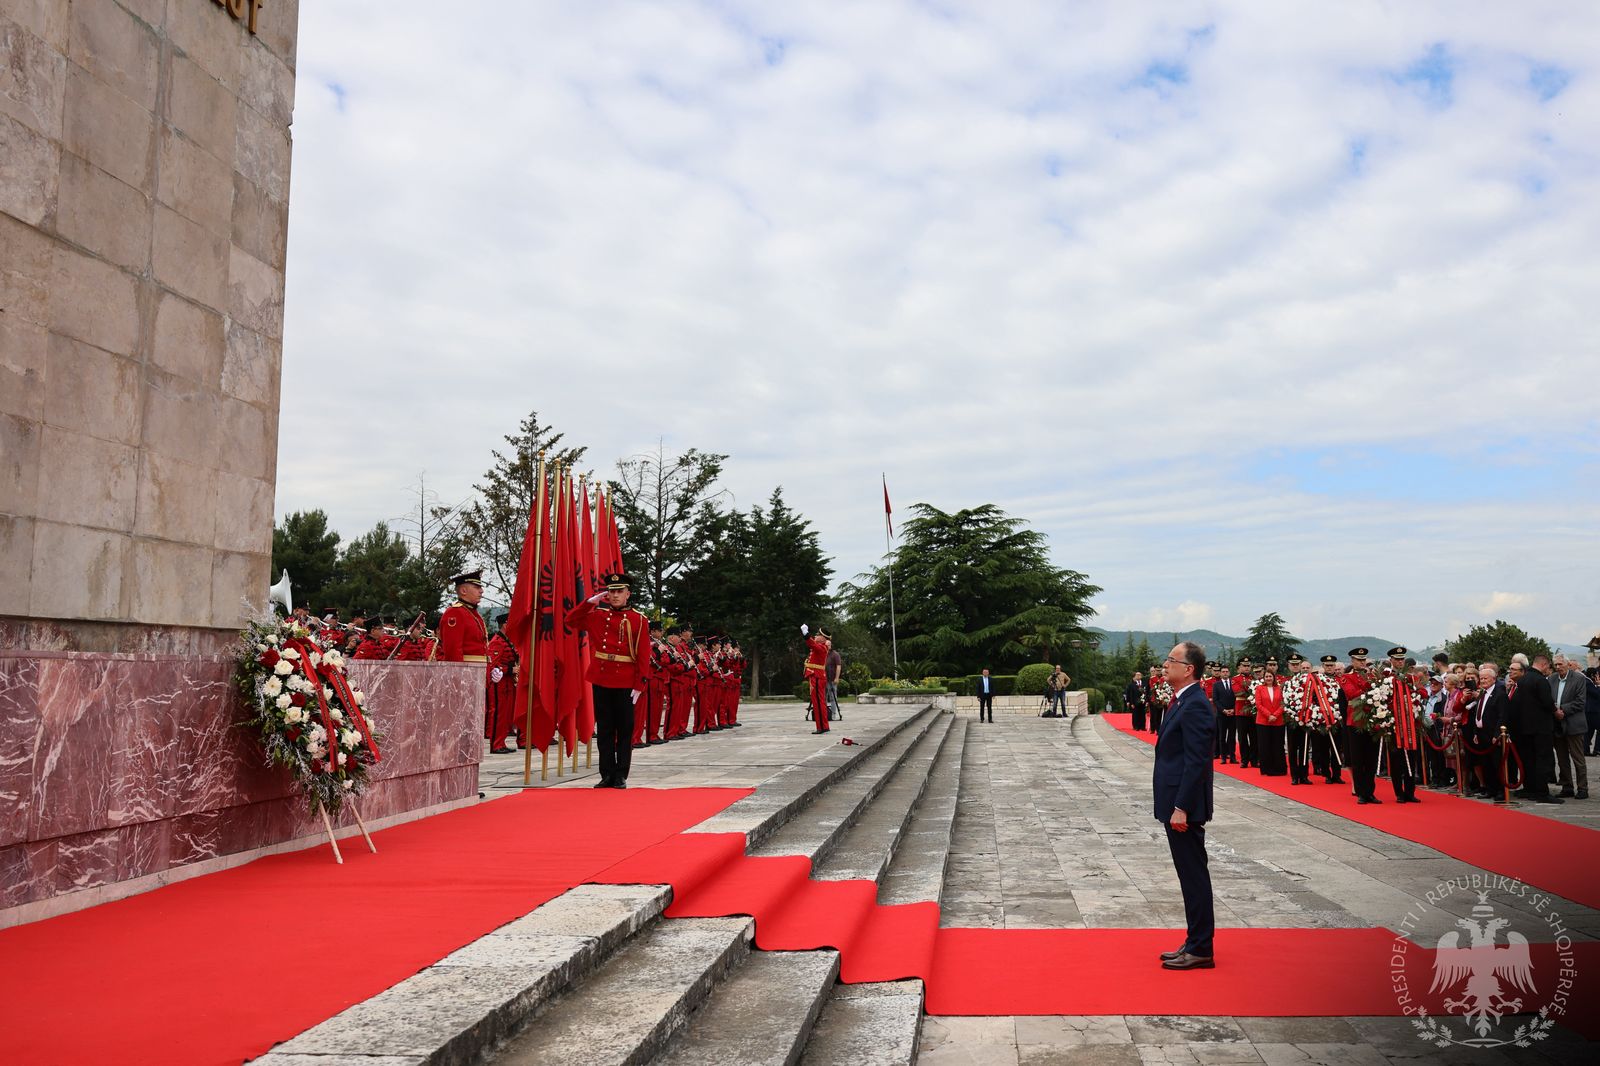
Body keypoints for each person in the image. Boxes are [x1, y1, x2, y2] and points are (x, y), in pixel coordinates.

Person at [1153, 641, 1215, 970]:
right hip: (1176, 802)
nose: (1165, 665)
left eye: (1171, 660)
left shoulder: (1195, 705)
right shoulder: (1183, 700)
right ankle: (1194, 941)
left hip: (1184, 807)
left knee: (1193, 876)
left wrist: (1182, 806)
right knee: (1188, 875)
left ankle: (1201, 947)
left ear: (1188, 669)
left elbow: (1197, 761)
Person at [566, 572, 653, 788]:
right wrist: (590, 602)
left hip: (625, 680)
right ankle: (606, 774)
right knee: (604, 730)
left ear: (628, 594)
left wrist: (640, 683)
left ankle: (621, 774)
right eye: (612, 591)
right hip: (602, 677)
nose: (615, 595)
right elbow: (571, 620)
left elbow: (643, 654)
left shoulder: (639, 619)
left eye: (619, 591)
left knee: (624, 730)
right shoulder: (598, 615)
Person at [1508, 659, 1560, 803]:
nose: (1548, 669)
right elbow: (1547, 701)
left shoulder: (1522, 680)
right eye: (1549, 666)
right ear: (1543, 664)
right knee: (1542, 760)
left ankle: (1530, 788)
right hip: (1541, 728)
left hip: (1524, 728)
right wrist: (1556, 711)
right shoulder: (1540, 680)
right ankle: (1542, 792)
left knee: (1528, 760)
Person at [1340, 649, 1381, 804]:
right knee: (1358, 759)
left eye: (1364, 660)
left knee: (1371, 759)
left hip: (1372, 720)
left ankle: (1370, 792)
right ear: (1353, 661)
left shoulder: (1372, 676)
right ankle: (1360, 792)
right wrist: (1370, 689)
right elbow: (1352, 694)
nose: (1362, 662)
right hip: (1355, 721)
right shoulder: (1346, 677)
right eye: (1359, 660)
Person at [1547, 655, 1588, 799]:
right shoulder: (1551, 679)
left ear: (1568, 664)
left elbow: (1580, 702)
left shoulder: (1578, 678)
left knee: (1578, 758)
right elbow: (1548, 699)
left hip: (1574, 723)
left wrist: (1562, 710)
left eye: (1560, 664)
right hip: (1557, 724)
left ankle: (1582, 788)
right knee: (1562, 758)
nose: (1558, 667)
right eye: (1556, 665)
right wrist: (1554, 711)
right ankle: (1567, 786)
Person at [1465, 664, 1508, 801]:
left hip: (1493, 733)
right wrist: (1475, 733)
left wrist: (1497, 735)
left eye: (1486, 678)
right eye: (1481, 678)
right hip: (1481, 733)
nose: (1483, 681)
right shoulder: (1482, 693)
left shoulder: (1500, 694)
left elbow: (1503, 716)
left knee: (1497, 764)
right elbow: (1477, 714)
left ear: (1494, 679)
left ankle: (1501, 790)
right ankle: (1490, 789)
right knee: (1486, 763)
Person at [485, 610, 519, 754]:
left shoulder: (506, 640)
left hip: (507, 683)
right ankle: (496, 745)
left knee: (505, 715)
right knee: (498, 714)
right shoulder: (497, 642)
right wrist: (510, 670)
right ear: (505, 624)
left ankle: (501, 742)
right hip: (499, 684)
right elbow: (492, 665)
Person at [436, 571, 489, 663]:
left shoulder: (473, 613)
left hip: (479, 668)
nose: (481, 591)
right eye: (477, 587)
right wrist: (458, 671)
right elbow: (452, 652)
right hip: (466, 670)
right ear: (463, 591)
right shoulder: (454, 613)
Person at [1253, 665, 1287, 777]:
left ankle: (1279, 768)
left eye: (1270, 676)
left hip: (1278, 720)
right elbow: (1258, 704)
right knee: (1265, 745)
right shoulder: (1259, 688)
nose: (1268, 678)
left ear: (1274, 677)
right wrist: (1269, 715)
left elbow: (1283, 704)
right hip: (1263, 721)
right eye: (1266, 676)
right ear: (1264, 678)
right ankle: (1267, 769)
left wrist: (1275, 715)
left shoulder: (1279, 688)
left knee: (1278, 745)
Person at [800, 624, 831, 734]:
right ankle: (824, 726)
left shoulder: (821, 647)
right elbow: (813, 644)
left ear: (823, 638)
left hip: (817, 676)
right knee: (819, 702)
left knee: (818, 703)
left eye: (818, 634)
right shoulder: (821, 646)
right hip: (817, 676)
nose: (815, 636)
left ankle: (821, 727)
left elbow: (812, 643)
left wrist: (806, 634)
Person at [826, 639, 844, 722]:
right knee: (823, 697)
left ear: (831, 645)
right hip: (823, 679)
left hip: (832, 679)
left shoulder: (835, 654)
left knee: (833, 698)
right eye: (826, 645)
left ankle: (833, 714)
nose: (827, 647)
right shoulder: (823, 654)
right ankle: (824, 713)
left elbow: (838, 666)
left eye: (828, 645)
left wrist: (837, 678)